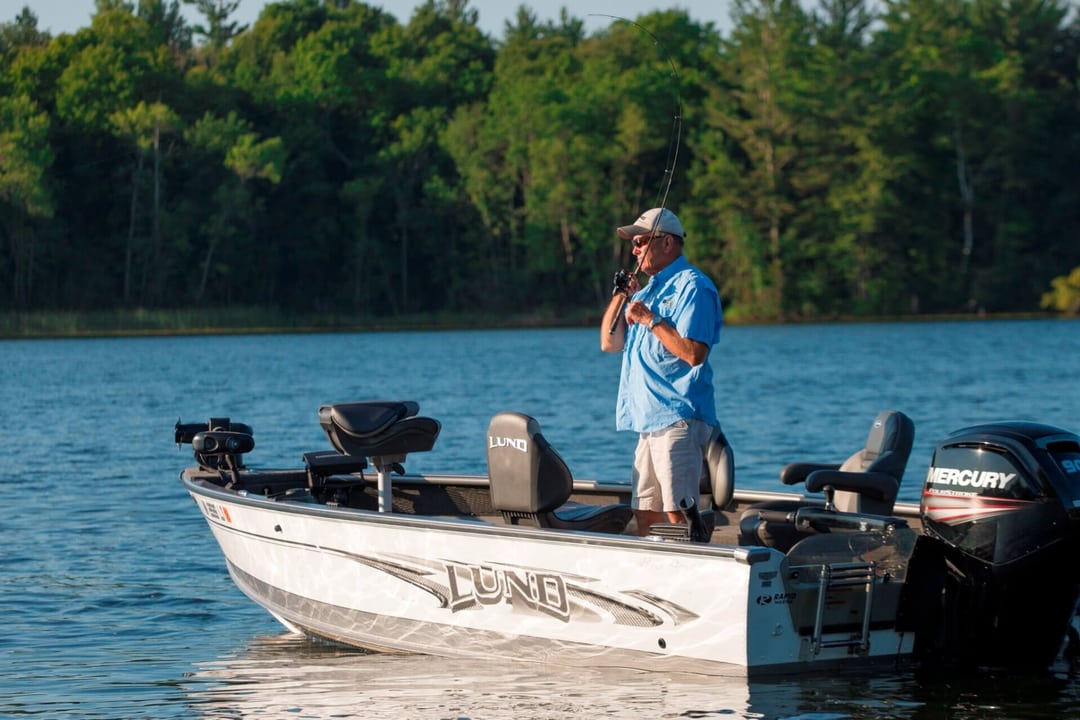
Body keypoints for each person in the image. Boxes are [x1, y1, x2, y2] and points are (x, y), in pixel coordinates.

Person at [600, 207, 722, 537]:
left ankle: (694, 575)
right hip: (647, 423)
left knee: (675, 514)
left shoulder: (694, 287)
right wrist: (622, 297)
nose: (634, 249)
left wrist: (651, 320)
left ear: (667, 243)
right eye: (633, 243)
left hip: (678, 420)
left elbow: (694, 354)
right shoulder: (647, 291)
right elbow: (609, 343)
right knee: (645, 513)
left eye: (640, 241)